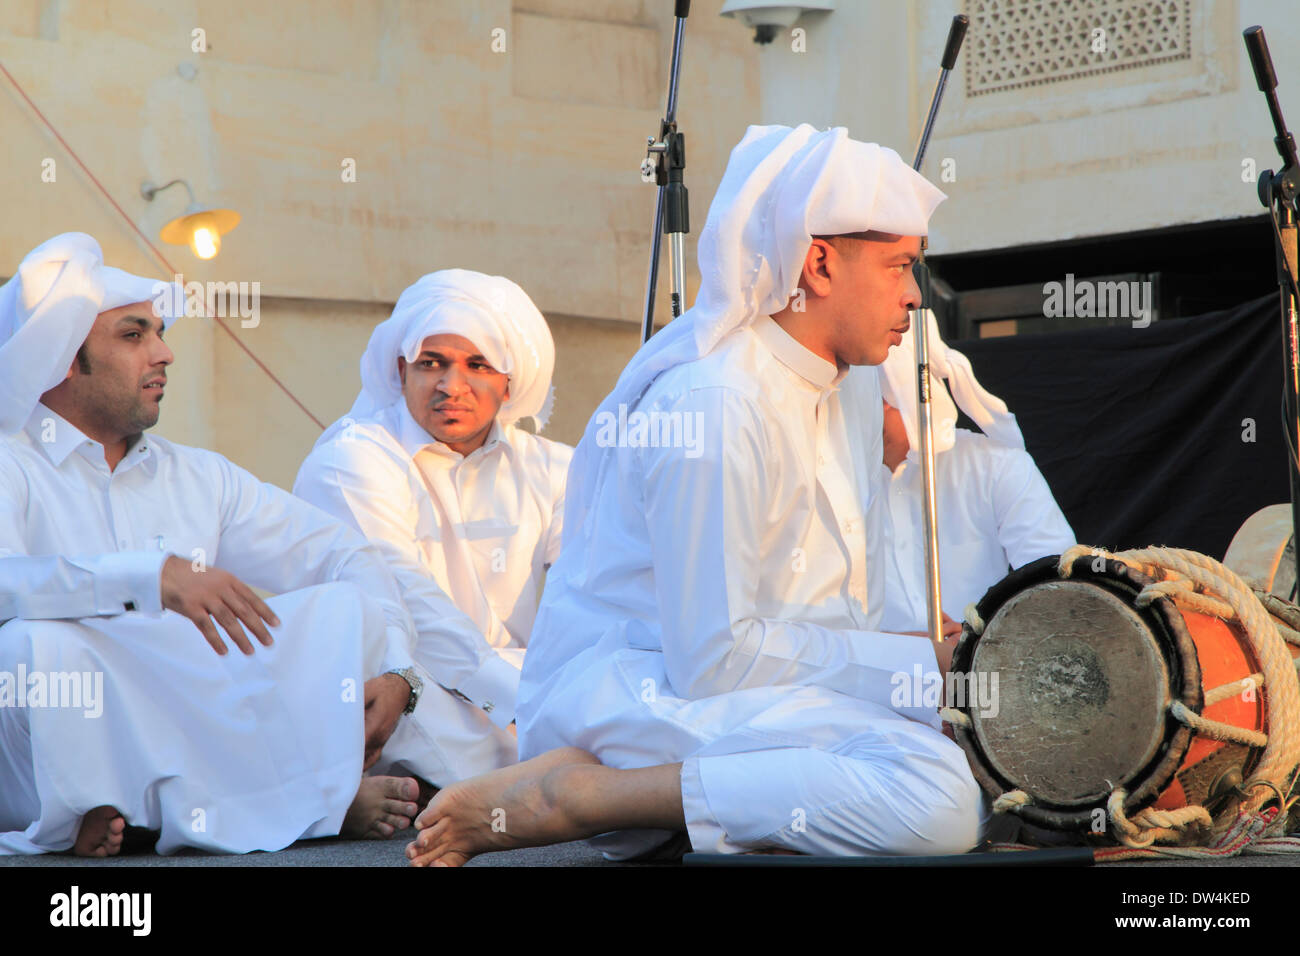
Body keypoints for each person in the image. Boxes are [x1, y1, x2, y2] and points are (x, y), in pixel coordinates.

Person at [406, 124, 983, 866]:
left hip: (752, 688)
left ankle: (680, 808)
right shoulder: (713, 405)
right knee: (936, 797)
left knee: (991, 740)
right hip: (643, 689)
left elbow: (819, 610)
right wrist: (911, 666)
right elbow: (715, 658)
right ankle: (584, 797)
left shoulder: (847, 388)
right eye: (901, 266)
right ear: (819, 263)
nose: (913, 296)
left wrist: (922, 657)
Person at [0, 233, 423, 855]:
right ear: (64, 356)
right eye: (134, 335)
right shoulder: (11, 461)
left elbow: (343, 554)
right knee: (33, 647)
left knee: (339, 610)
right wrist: (150, 577)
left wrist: (398, 667)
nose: (165, 353)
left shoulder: (201, 476)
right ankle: (311, 802)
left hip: (177, 704)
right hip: (59, 710)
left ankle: (152, 814)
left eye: (160, 333)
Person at [295, 270, 572, 785]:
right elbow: (407, 601)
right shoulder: (352, 460)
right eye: (432, 363)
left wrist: (559, 684)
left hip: (521, 679)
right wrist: (526, 705)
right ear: (401, 370)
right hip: (406, 679)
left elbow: (591, 597)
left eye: (478, 365)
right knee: (404, 704)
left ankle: (554, 769)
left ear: (510, 381)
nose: (452, 386)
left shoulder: (554, 470)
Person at [875, 309, 1075, 633]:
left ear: (888, 393)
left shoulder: (997, 467)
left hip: (989, 676)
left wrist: (978, 640)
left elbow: (1060, 589)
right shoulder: (823, 477)